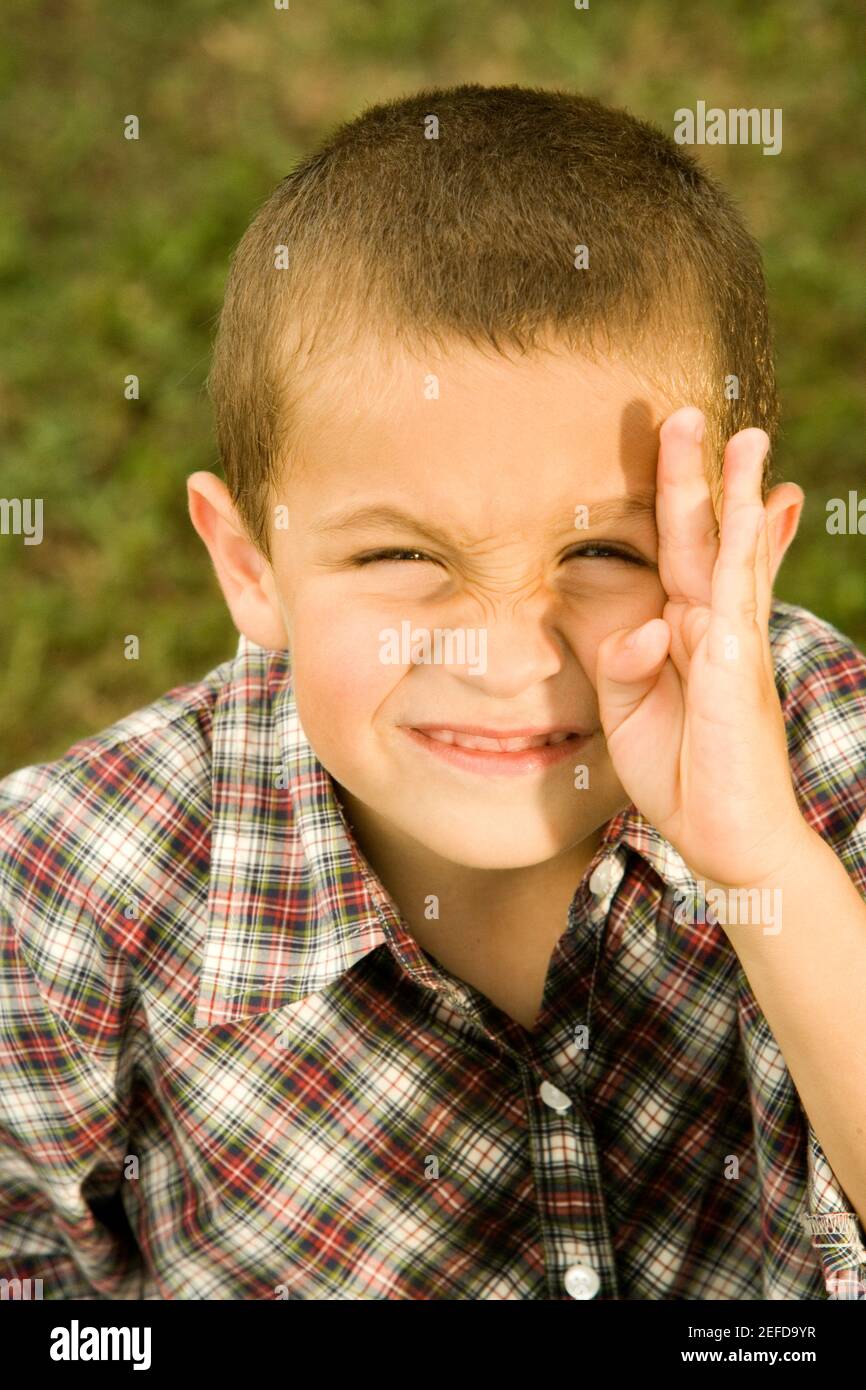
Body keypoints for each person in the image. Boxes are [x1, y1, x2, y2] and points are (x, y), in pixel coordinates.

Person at [1, 83, 865, 1301]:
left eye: (602, 554)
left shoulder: (831, 757)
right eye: (403, 558)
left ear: (744, 557)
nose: (506, 659)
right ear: (249, 566)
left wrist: (765, 864)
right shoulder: (66, 892)